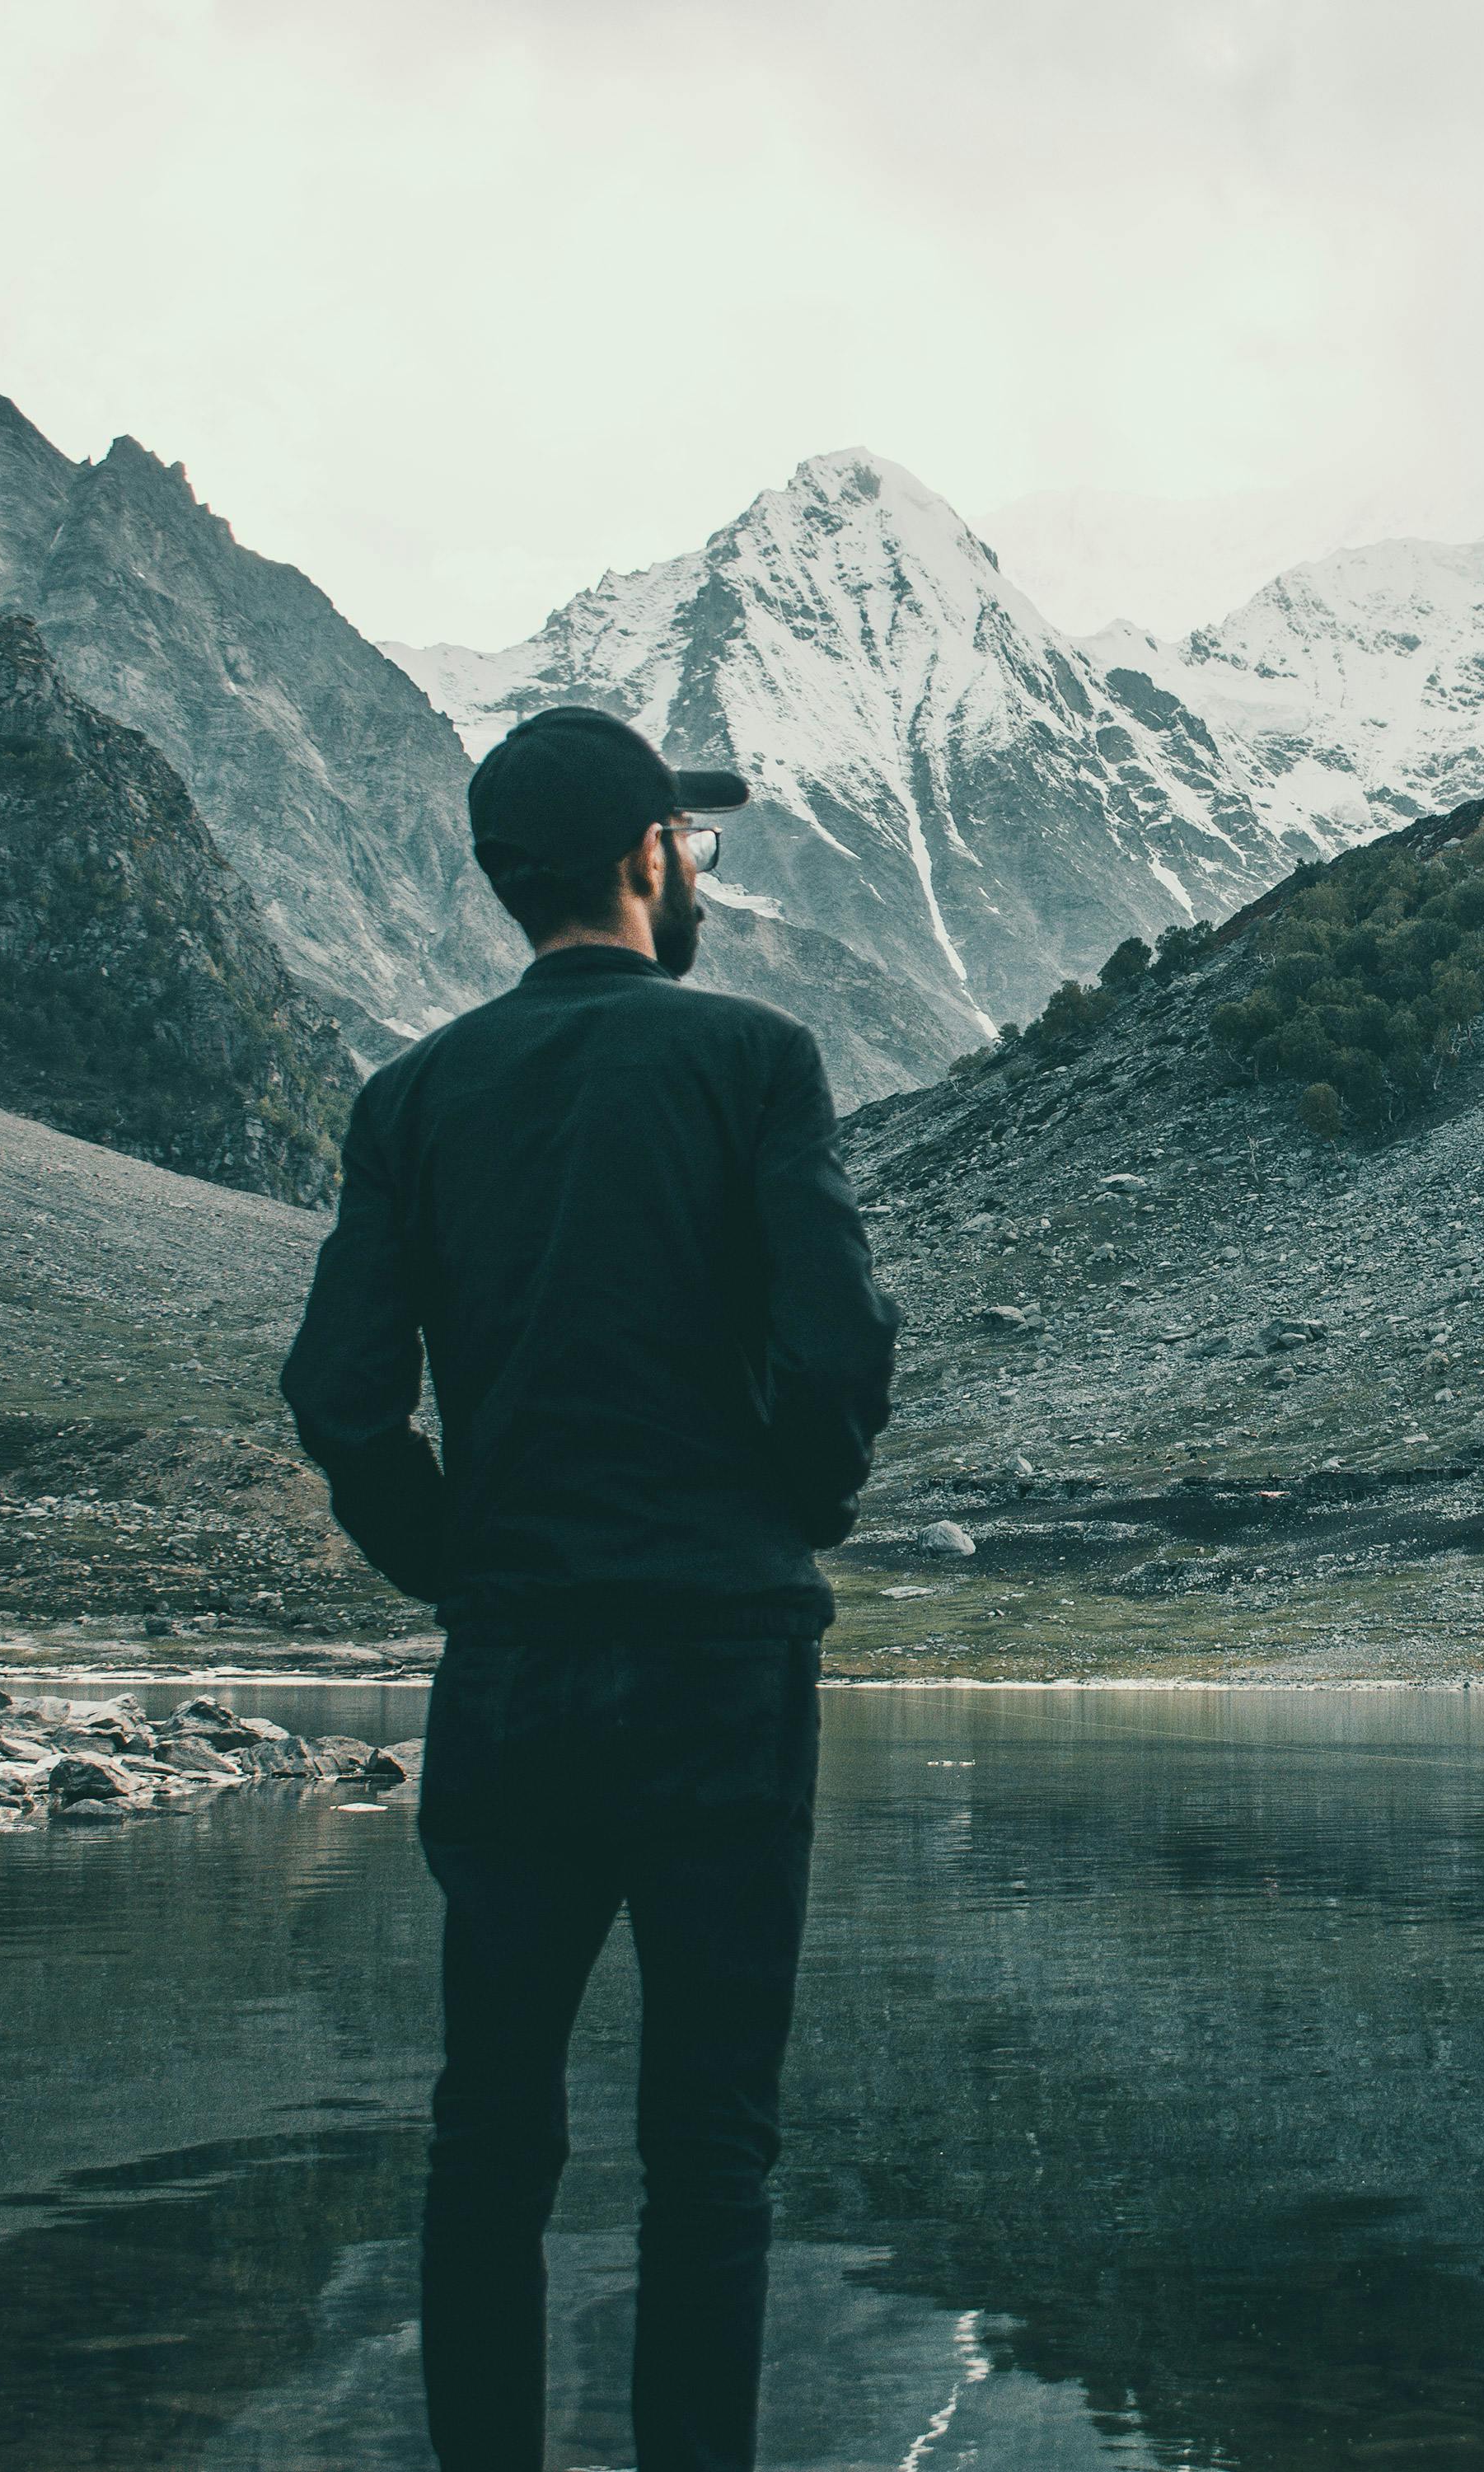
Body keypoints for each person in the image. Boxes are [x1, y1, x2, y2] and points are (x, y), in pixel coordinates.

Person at [281, 705, 899, 2472]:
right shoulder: (757, 1061)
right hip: (721, 1667)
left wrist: (454, 1560)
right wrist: (795, 1515)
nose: (696, 866)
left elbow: (337, 1392)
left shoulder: (408, 1102)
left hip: (516, 1670)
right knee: (714, 2141)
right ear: (645, 856)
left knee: (490, 2133)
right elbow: (838, 1342)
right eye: (687, 842)